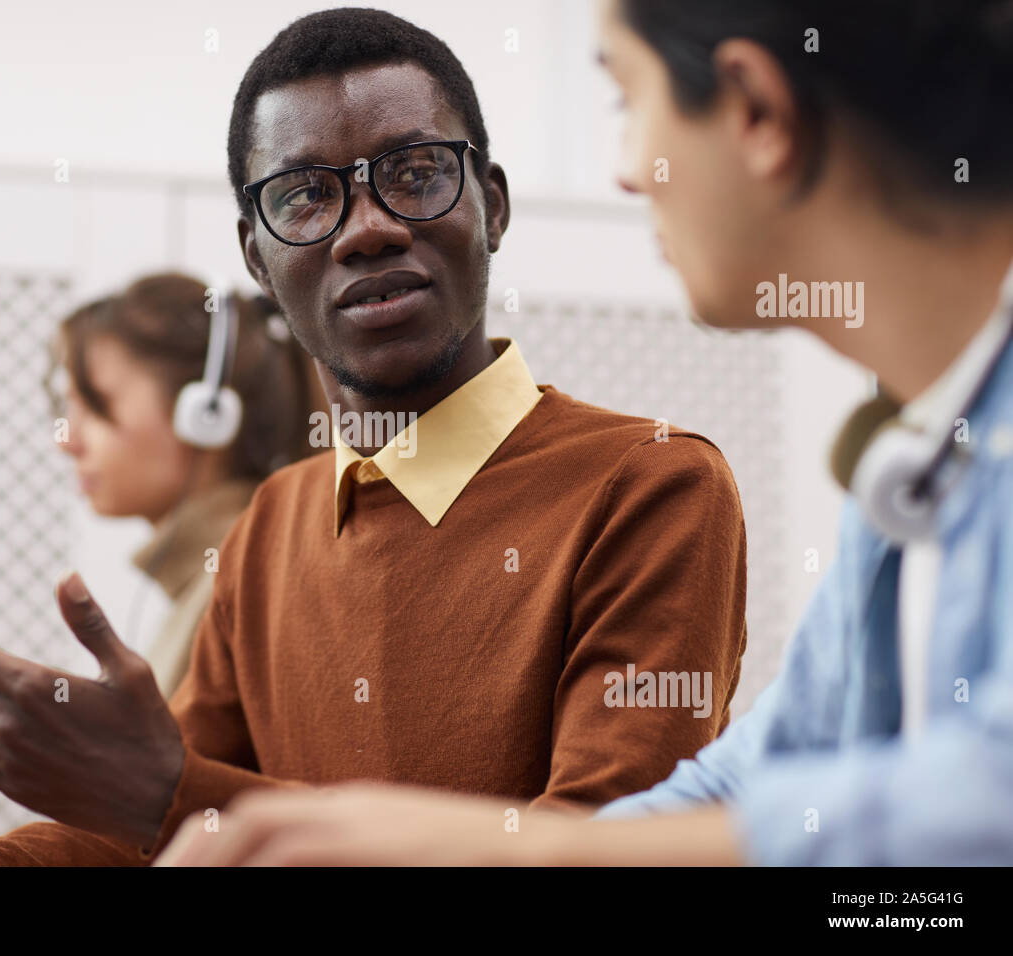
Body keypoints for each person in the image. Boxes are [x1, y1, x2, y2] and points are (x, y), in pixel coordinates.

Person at [0, 6, 747, 867]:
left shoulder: (653, 486)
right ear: (256, 254)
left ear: (491, 205)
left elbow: (594, 856)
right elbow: (144, 847)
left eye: (415, 175)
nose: (367, 230)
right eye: (304, 197)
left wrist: (164, 795)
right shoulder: (272, 525)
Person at [156, 0, 1013, 866]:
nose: (628, 173)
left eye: (626, 100)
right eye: (308, 196)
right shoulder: (912, 475)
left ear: (754, 110)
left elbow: (983, 795)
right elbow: (755, 776)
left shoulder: (657, 482)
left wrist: (511, 852)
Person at [51, 273, 323, 696]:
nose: (66, 440)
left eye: (95, 404)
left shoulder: (245, 583)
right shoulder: (216, 580)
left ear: (205, 415)